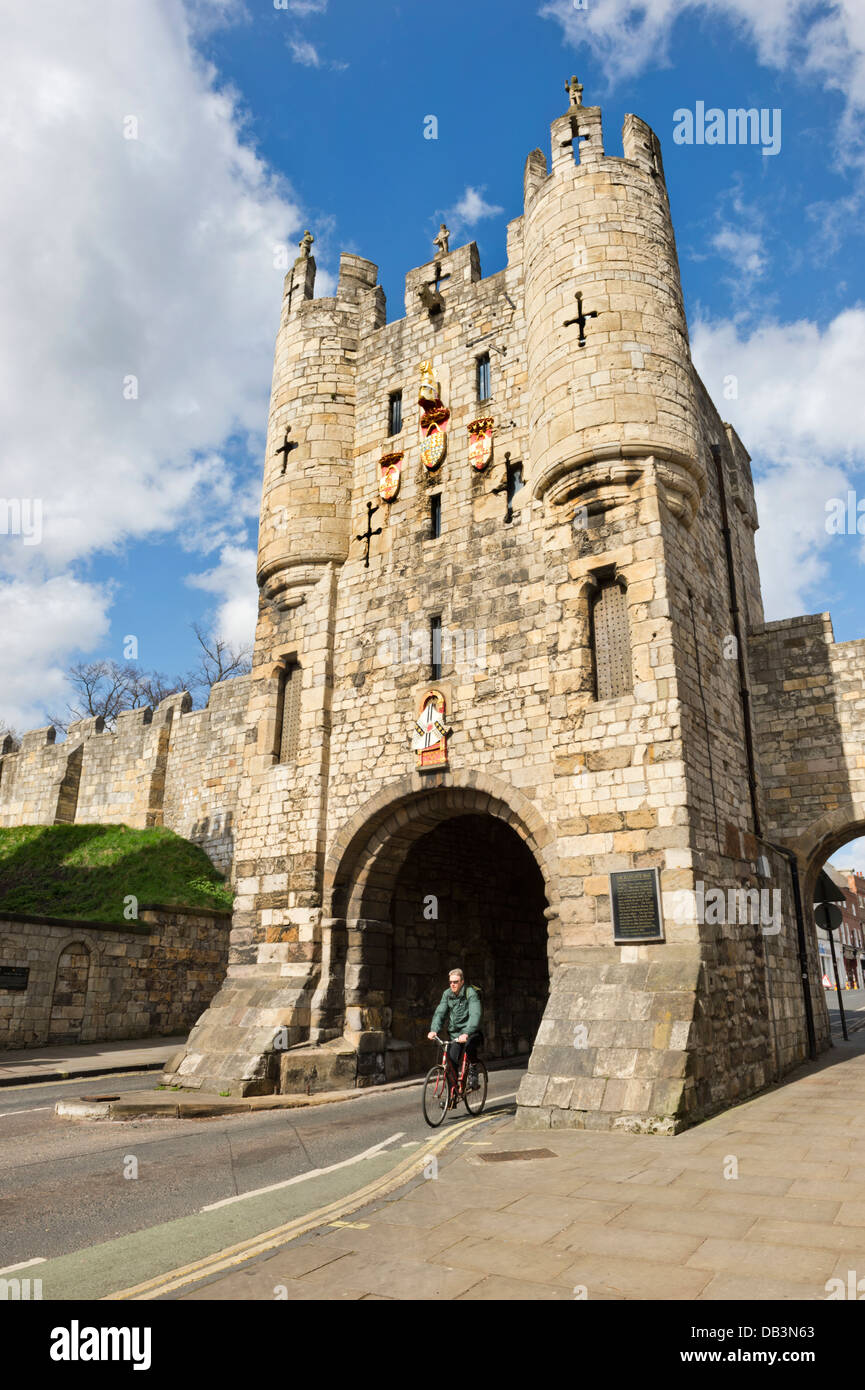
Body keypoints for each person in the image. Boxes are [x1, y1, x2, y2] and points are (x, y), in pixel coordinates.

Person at [428, 968, 483, 1093]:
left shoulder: (470, 993)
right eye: (451, 982)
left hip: (471, 1032)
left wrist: (467, 1033)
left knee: (469, 1050)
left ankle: (473, 1071)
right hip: (455, 1034)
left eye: (456, 981)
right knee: (451, 1061)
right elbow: (440, 1013)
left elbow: (475, 1014)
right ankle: (453, 1093)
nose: (452, 984)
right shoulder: (447, 994)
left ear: (462, 982)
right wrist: (434, 1030)